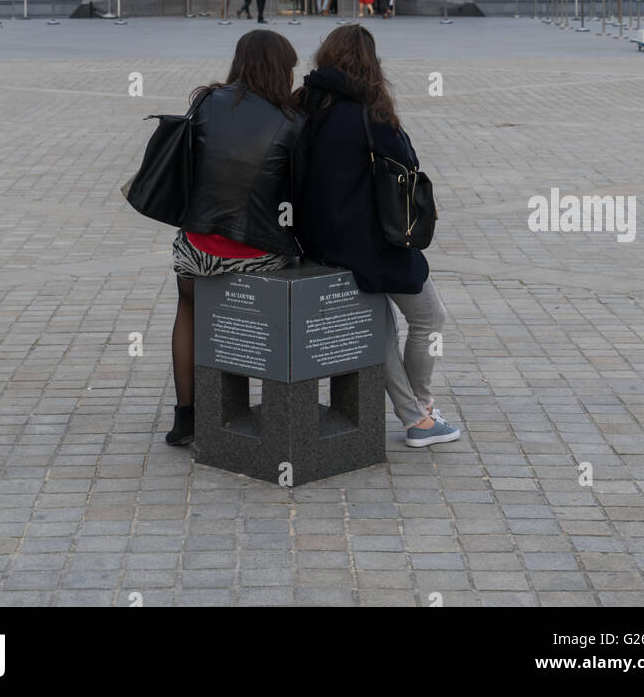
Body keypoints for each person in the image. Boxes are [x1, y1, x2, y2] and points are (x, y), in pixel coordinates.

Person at [296, 24, 459, 447]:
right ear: (370, 62)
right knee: (429, 317)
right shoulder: (371, 111)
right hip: (376, 242)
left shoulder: (304, 104)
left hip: (319, 242)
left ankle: (416, 417)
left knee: (378, 326)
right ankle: (420, 413)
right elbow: (407, 165)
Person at [167, 31, 306, 446]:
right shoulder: (293, 121)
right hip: (257, 251)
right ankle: (271, 417)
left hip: (199, 246)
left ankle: (185, 420)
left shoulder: (206, 101)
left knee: (187, 309)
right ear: (281, 70)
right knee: (274, 311)